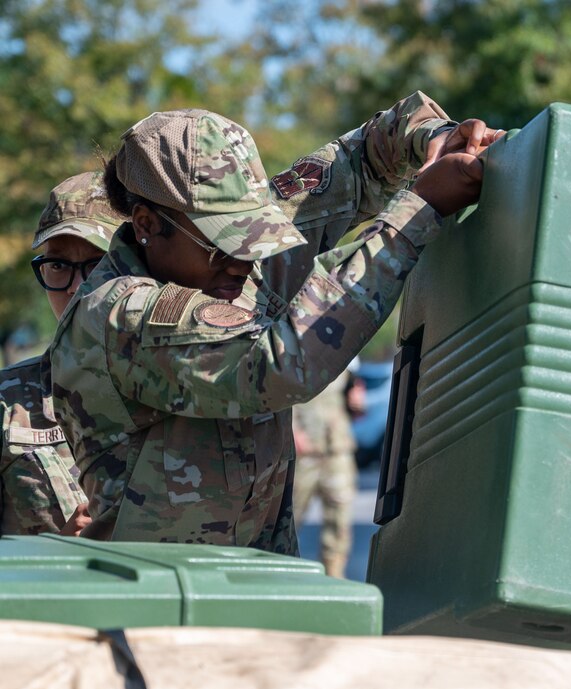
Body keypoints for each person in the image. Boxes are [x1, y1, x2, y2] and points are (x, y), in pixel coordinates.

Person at [49, 95, 496, 553]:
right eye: (223, 244)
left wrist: (434, 138)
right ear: (145, 224)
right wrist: (416, 212)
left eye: (251, 235)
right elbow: (281, 364)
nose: (244, 262)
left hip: (251, 591)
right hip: (163, 602)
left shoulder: (214, 261)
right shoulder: (120, 315)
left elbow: (359, 160)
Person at [0, 172, 123, 535]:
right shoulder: (9, 401)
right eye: (57, 265)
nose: (77, 288)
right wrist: (60, 551)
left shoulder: (192, 388)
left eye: (99, 264)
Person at [291, 363, 361, 578]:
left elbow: (356, 404)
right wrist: (291, 432)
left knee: (340, 513)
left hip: (337, 449)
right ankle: (279, 572)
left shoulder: (347, 367)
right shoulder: (294, 359)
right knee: (290, 516)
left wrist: (357, 401)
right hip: (305, 450)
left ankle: (335, 574)